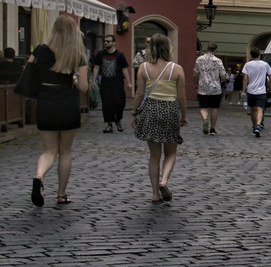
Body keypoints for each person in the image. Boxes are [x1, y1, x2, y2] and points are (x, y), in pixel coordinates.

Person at [28, 13, 88, 207]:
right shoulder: (78, 54)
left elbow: (27, 72)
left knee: (49, 151)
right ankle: (61, 194)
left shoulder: (41, 50)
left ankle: (39, 177)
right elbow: (84, 88)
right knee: (65, 152)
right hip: (67, 102)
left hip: (46, 101)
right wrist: (74, 80)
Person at [133, 34, 186, 202]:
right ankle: (164, 181)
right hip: (169, 109)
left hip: (151, 109)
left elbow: (139, 94)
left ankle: (155, 194)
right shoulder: (176, 69)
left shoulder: (143, 67)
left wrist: (134, 113)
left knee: (154, 156)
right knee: (171, 152)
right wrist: (184, 116)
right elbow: (181, 96)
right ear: (168, 48)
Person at [92, 36, 132, 133]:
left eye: (108, 41)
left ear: (114, 43)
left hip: (117, 83)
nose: (106, 42)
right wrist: (93, 80)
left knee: (119, 103)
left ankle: (118, 120)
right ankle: (109, 124)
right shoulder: (101, 54)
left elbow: (124, 69)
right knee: (107, 104)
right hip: (105, 83)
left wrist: (129, 82)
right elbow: (96, 67)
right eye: (105, 41)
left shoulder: (119, 55)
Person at [194, 42, 227, 136]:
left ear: (207, 48)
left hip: (203, 88)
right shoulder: (218, 61)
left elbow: (195, 74)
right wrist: (221, 81)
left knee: (203, 108)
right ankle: (212, 129)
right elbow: (223, 76)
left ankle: (205, 119)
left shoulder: (199, 59)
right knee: (214, 108)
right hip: (215, 88)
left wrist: (195, 83)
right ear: (215, 50)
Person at [241, 48, 271, 137]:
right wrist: (270, 85)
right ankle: (258, 125)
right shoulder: (265, 64)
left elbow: (245, 79)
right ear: (259, 54)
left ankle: (254, 127)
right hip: (261, 91)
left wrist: (243, 90)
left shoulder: (248, 65)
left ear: (251, 55)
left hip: (251, 90)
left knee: (253, 110)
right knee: (260, 109)